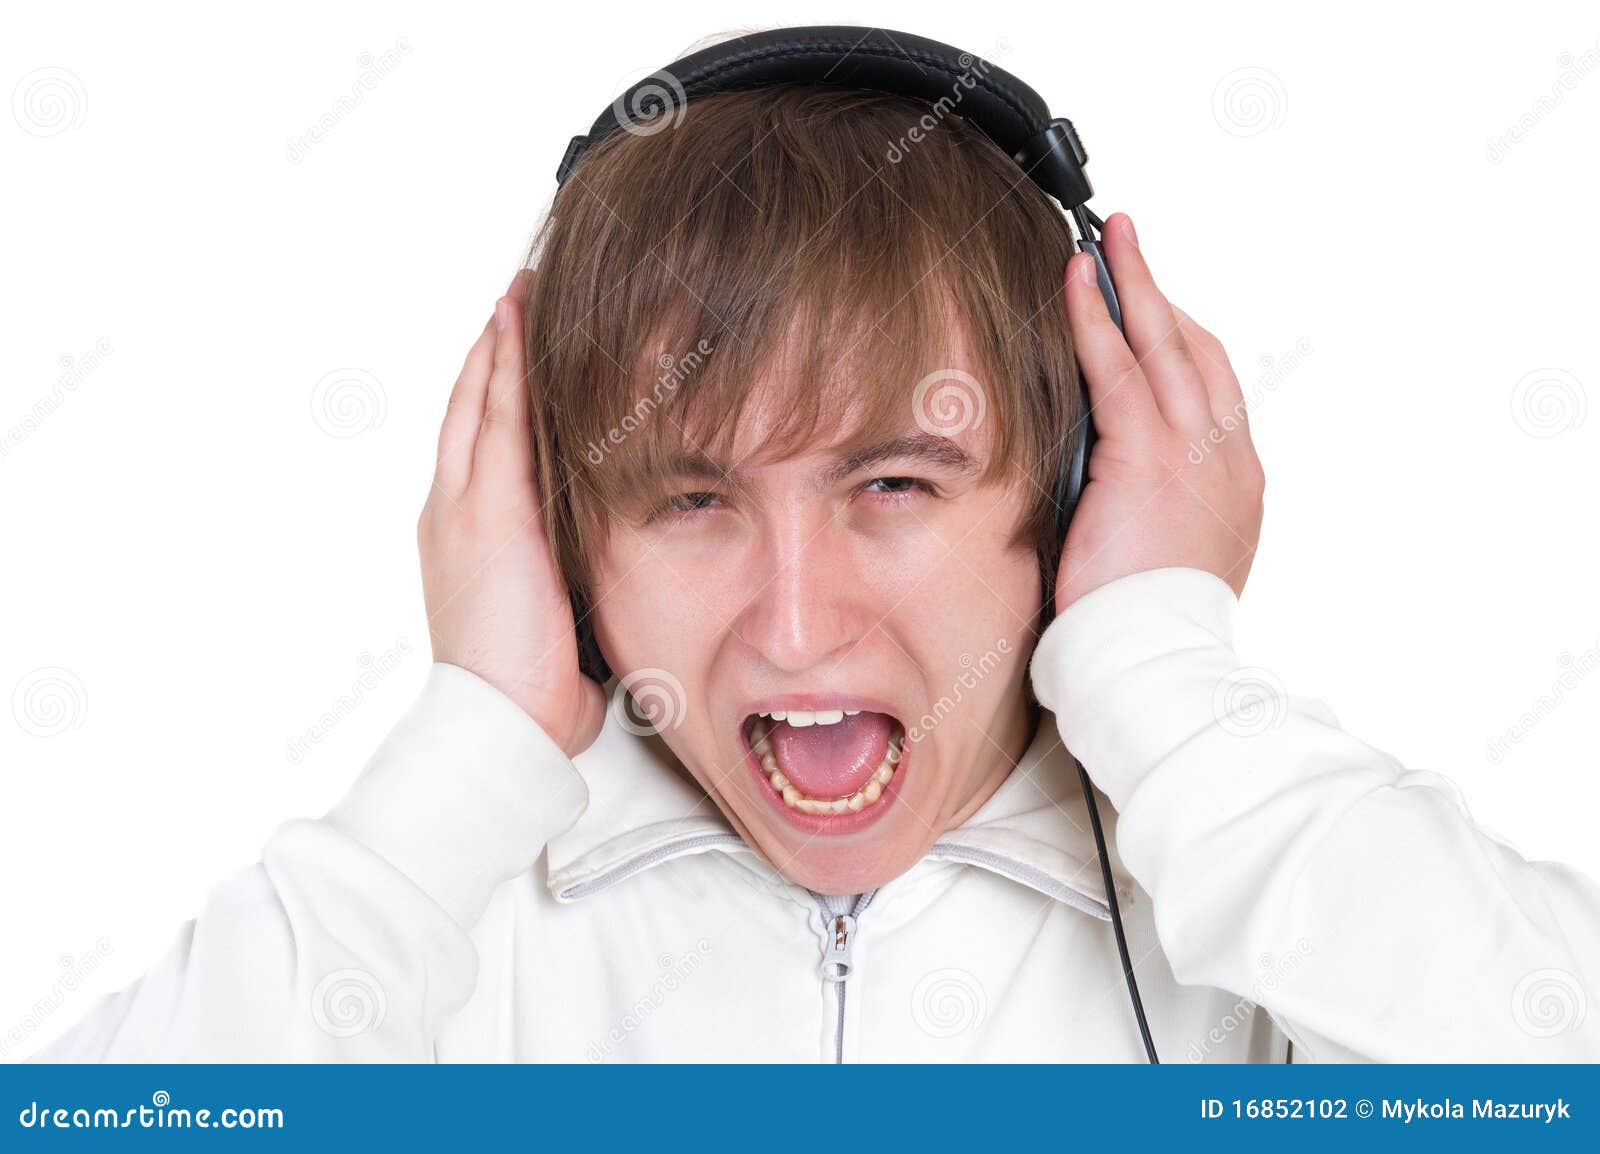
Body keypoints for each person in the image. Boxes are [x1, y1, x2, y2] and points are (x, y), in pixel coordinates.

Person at [36, 82, 1599, 1064]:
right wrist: (472, 748)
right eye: (690, 498)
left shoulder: (1249, 931)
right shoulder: (439, 940)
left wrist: (1163, 672)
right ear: (561, 531)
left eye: (894, 483)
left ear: (1065, 491)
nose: (793, 624)